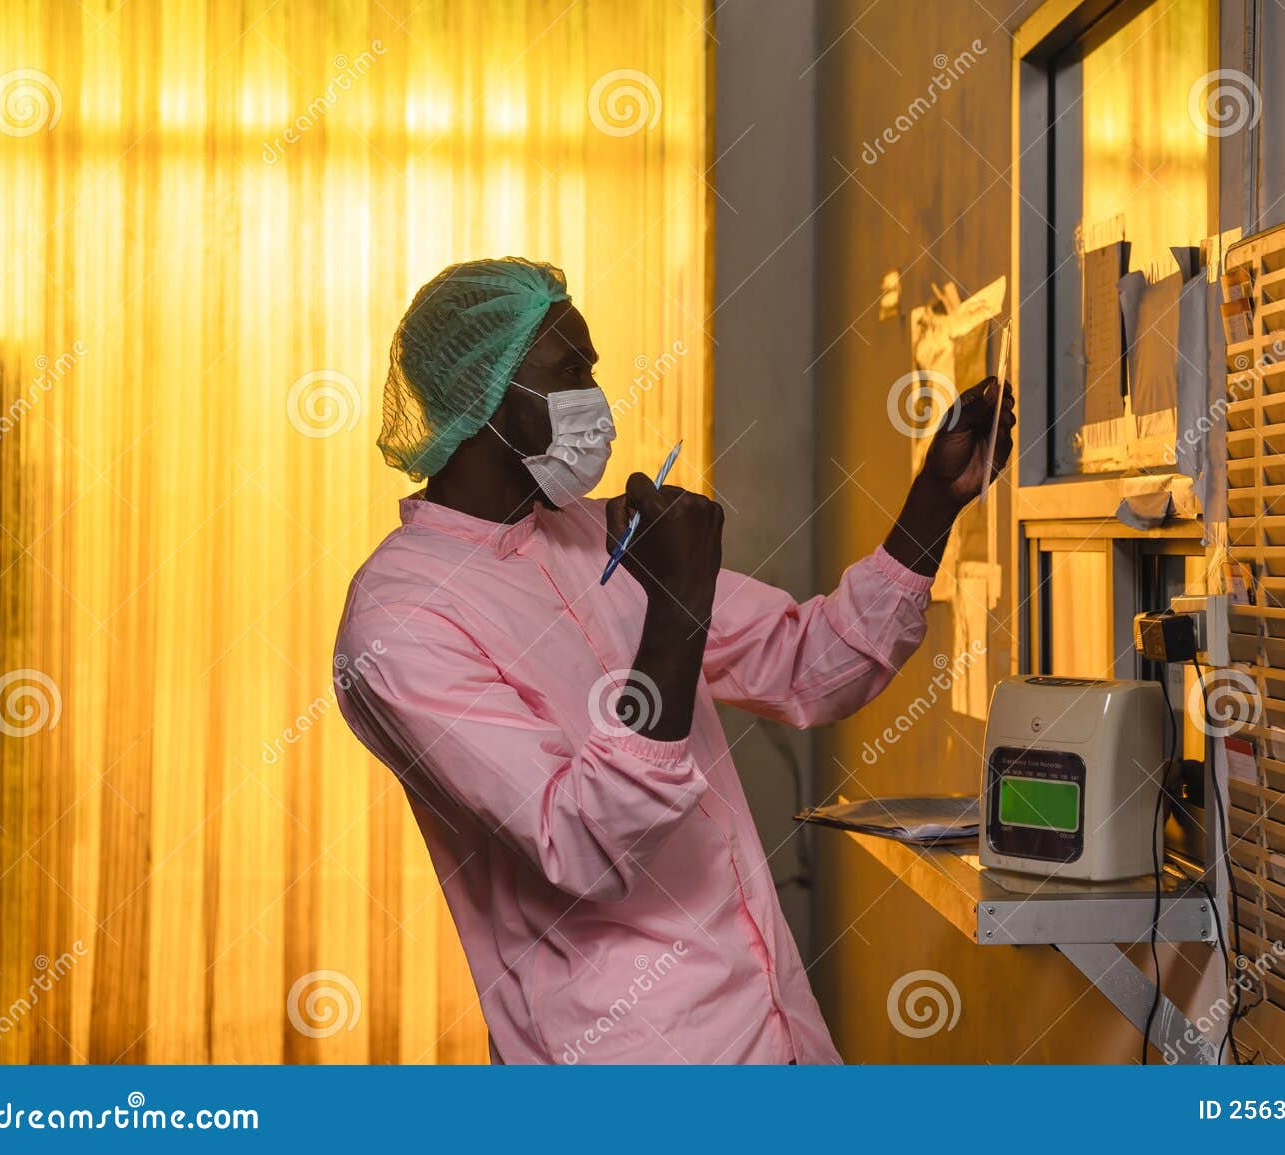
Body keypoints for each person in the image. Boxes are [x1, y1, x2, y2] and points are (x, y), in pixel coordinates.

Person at [334, 257, 1014, 1064]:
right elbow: (585, 844)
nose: (596, 392)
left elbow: (810, 662)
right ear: (481, 396)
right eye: (568, 369)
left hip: (771, 1024)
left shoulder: (594, 535)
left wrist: (935, 500)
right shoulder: (403, 619)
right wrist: (678, 607)